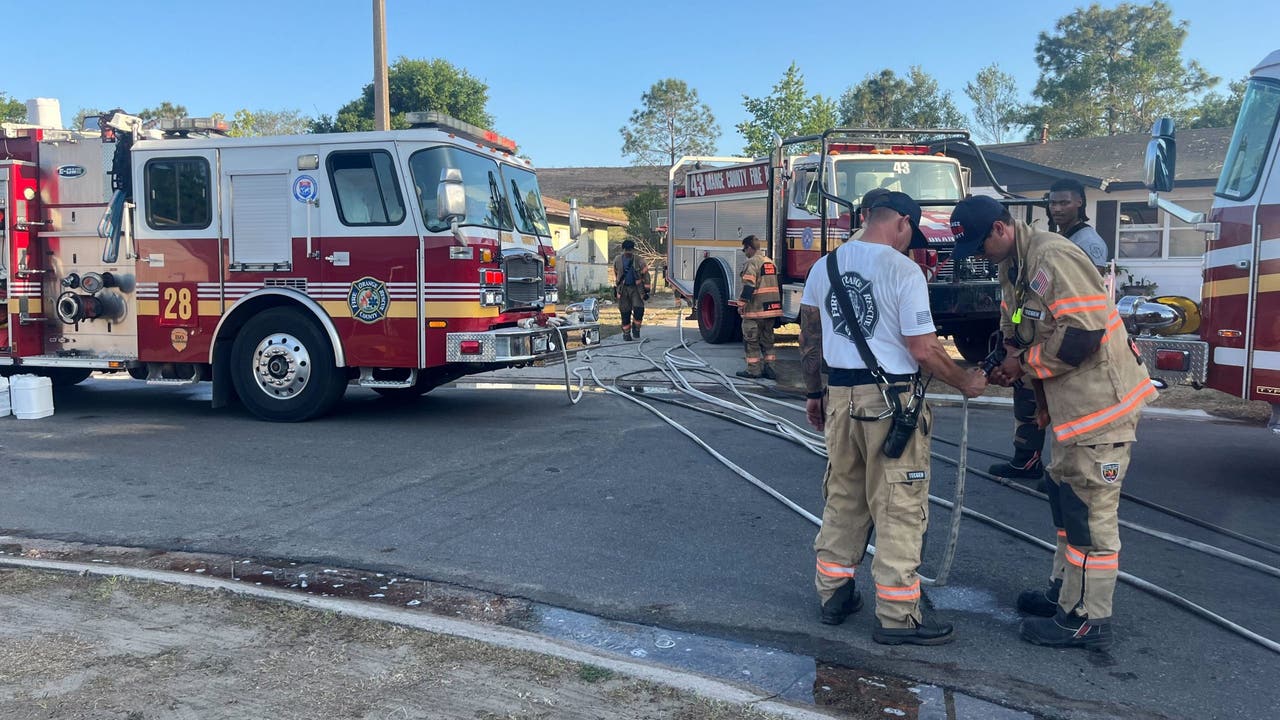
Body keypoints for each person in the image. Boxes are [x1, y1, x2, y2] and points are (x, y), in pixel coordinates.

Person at [949, 195, 1154, 650]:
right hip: (1068, 409)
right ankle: (1066, 592)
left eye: (981, 247)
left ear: (1001, 229)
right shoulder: (1015, 265)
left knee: (1090, 516)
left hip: (1100, 407)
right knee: (1065, 505)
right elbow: (1020, 323)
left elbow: (1083, 333)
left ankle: (1086, 616)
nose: (980, 257)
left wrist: (1025, 366)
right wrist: (1008, 358)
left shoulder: (1053, 255)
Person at [800, 191, 987, 646]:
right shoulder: (903, 270)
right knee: (898, 506)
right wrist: (965, 381)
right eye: (910, 234)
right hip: (890, 402)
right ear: (903, 222)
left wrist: (813, 393)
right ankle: (900, 615)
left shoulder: (824, 267)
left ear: (866, 218)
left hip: (840, 397)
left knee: (844, 495)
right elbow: (923, 349)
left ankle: (834, 595)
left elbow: (810, 333)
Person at [988, 178, 1110, 480]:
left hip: (1068, 338)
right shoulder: (1036, 245)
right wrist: (1012, 342)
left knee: (1061, 406)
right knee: (1027, 395)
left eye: (1064, 202)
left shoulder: (1085, 244)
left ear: (1080, 203)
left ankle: (1064, 475)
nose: (1056, 208)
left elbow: (1081, 302)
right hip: (1034, 335)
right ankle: (1027, 459)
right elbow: (1018, 300)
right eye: (1052, 203)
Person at [734, 235, 783, 379]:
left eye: (744, 250)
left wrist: (741, 304)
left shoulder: (752, 263)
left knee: (751, 342)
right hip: (771, 310)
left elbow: (749, 286)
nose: (745, 253)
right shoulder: (770, 263)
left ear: (749, 248)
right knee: (768, 342)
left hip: (755, 311)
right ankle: (770, 369)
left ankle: (753, 370)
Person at [613, 239, 650, 341]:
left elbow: (646, 275)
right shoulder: (618, 260)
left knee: (639, 310)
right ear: (623, 250)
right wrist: (617, 288)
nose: (628, 252)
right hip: (623, 289)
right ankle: (626, 333)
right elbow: (616, 274)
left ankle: (636, 328)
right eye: (626, 250)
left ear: (633, 250)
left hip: (637, 289)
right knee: (625, 312)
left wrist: (647, 290)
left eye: (630, 250)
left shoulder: (639, 260)